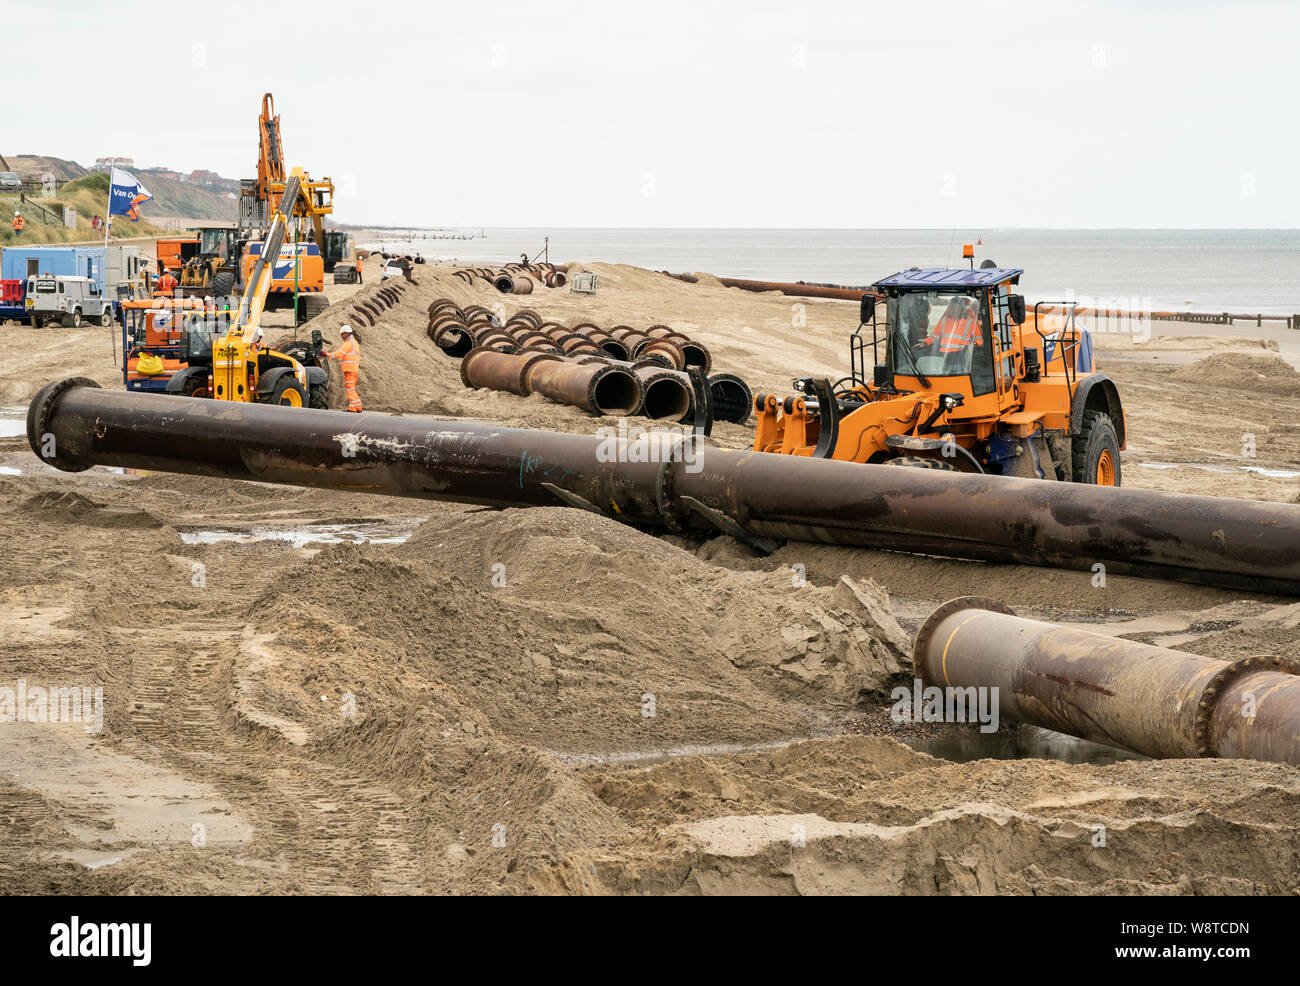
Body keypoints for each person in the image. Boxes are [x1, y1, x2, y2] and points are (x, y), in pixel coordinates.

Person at [322, 325, 362, 412]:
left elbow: (339, 354)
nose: (341, 336)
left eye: (342, 334)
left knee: (350, 388)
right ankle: (358, 406)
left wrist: (327, 354)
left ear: (346, 333)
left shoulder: (348, 343)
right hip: (354, 369)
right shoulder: (354, 342)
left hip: (349, 369)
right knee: (352, 388)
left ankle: (353, 408)